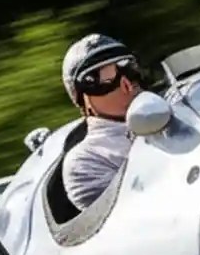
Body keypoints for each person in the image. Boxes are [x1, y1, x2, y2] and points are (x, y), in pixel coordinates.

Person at [60, 33, 145, 210]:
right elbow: (127, 217)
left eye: (129, 69)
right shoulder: (84, 161)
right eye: (105, 78)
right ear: (83, 97)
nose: (126, 85)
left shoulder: (179, 110)